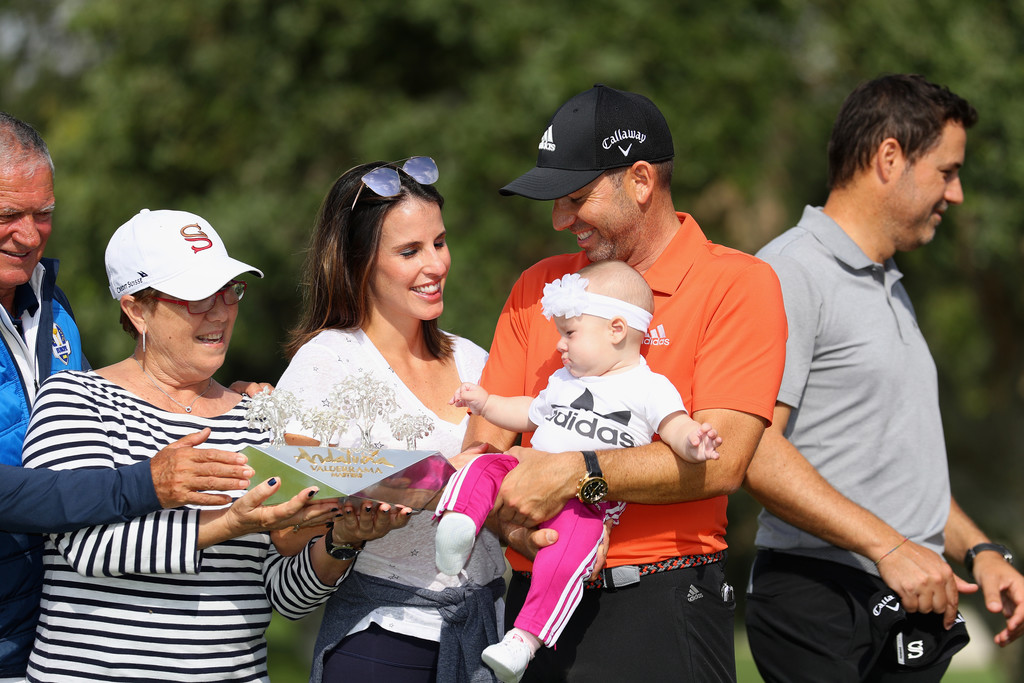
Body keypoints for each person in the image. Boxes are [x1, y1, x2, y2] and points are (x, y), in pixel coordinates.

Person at [464, 84, 788, 681]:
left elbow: (723, 462)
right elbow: (482, 447)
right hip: (533, 609)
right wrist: (506, 519)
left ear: (640, 181)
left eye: (576, 197)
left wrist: (574, 474)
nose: (561, 221)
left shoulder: (738, 285)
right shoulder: (539, 285)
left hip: (661, 605)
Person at [20, 208, 409, 682]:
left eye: (230, 291)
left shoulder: (260, 416)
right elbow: (89, 548)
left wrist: (342, 542)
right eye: (196, 296)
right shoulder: (75, 399)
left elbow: (283, 594)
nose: (221, 310)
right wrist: (228, 523)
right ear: (136, 308)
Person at [743, 73, 1024, 681]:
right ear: (889, 158)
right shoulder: (791, 272)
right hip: (821, 601)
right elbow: (755, 449)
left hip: (903, 601)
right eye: (947, 172)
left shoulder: (889, 283)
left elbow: (894, 473)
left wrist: (980, 552)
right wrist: (889, 547)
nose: (958, 194)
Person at [0, 113, 255, 681]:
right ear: (135, 306)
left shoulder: (49, 303)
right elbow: (85, 523)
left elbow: (81, 445)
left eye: (43, 213)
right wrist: (149, 483)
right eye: (7, 215)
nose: (29, 233)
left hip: (32, 624)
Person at [274, 157, 517, 683]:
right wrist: (349, 523)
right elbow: (284, 529)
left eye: (439, 242)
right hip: (382, 639)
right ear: (360, 263)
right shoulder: (324, 363)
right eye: (409, 251)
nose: (435, 265)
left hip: (488, 635)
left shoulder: (477, 361)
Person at [436, 260, 722, 682]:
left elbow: (674, 424)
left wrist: (694, 442)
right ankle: (457, 527)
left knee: (565, 560)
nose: (562, 345)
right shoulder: (564, 380)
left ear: (617, 329)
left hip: (584, 504)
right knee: (481, 465)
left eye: (570, 333)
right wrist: (485, 403)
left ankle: (524, 640)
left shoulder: (650, 387)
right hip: (525, 473)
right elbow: (526, 412)